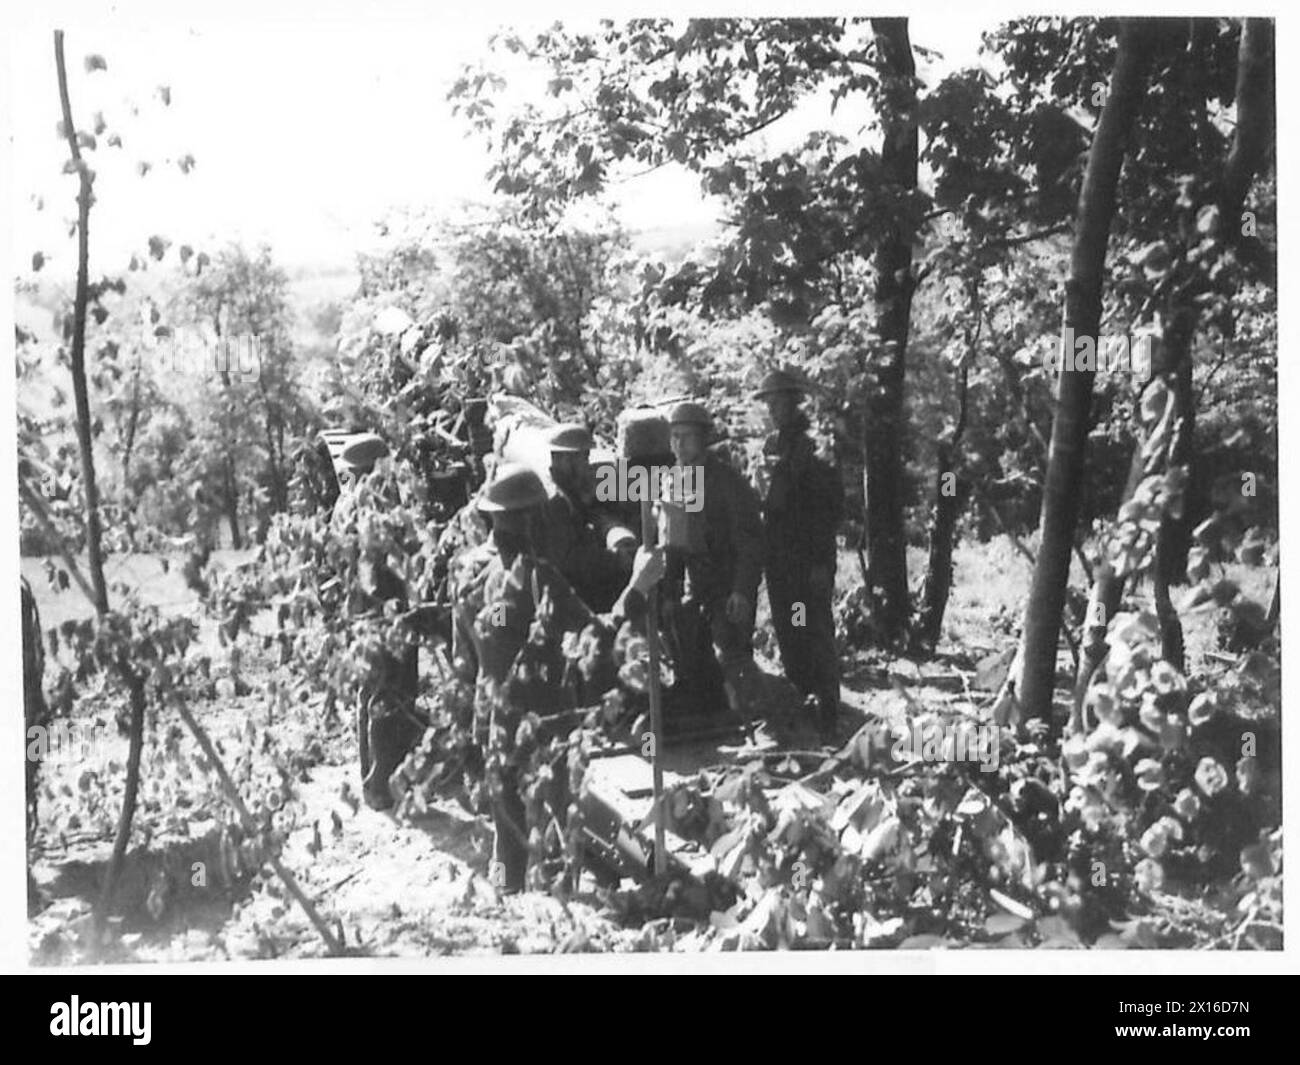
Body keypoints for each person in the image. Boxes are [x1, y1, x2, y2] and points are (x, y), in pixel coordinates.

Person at [450, 462, 664, 891]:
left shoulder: (470, 578)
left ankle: (507, 900)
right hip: (544, 727)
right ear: (532, 519)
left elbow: (463, 665)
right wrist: (639, 586)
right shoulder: (536, 577)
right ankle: (647, 869)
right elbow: (597, 633)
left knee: (507, 838)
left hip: (496, 729)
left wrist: (471, 734)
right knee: (575, 815)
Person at [754, 368, 844, 740]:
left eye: (777, 401)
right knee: (790, 632)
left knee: (810, 630)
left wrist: (821, 563)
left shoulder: (814, 447)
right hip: (781, 563)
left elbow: (827, 511)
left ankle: (827, 712)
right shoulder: (773, 446)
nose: (773, 409)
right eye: (769, 403)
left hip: (807, 565)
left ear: (794, 402)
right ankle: (801, 705)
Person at [663, 401, 764, 724]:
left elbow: (750, 541)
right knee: (691, 651)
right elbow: (675, 543)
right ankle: (715, 718)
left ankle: (761, 722)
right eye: (674, 436)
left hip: (726, 581)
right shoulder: (676, 480)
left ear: (703, 438)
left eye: (687, 436)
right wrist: (671, 592)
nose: (679, 444)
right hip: (696, 583)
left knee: (732, 653)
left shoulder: (726, 482)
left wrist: (742, 591)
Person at [540, 423, 638, 612]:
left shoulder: (568, 491)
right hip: (568, 596)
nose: (587, 464)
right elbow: (568, 560)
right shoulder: (556, 502)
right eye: (582, 458)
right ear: (564, 460)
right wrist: (616, 559)